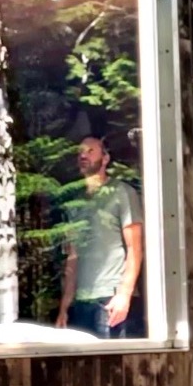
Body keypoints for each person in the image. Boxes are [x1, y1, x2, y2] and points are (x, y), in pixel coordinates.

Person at [55, 135, 145, 338]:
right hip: (82, 301)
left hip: (111, 298)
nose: (83, 156)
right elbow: (73, 257)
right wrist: (65, 307)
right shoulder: (76, 202)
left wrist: (124, 294)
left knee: (115, 366)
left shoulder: (122, 193)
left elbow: (135, 248)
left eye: (90, 151)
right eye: (80, 152)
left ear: (105, 158)